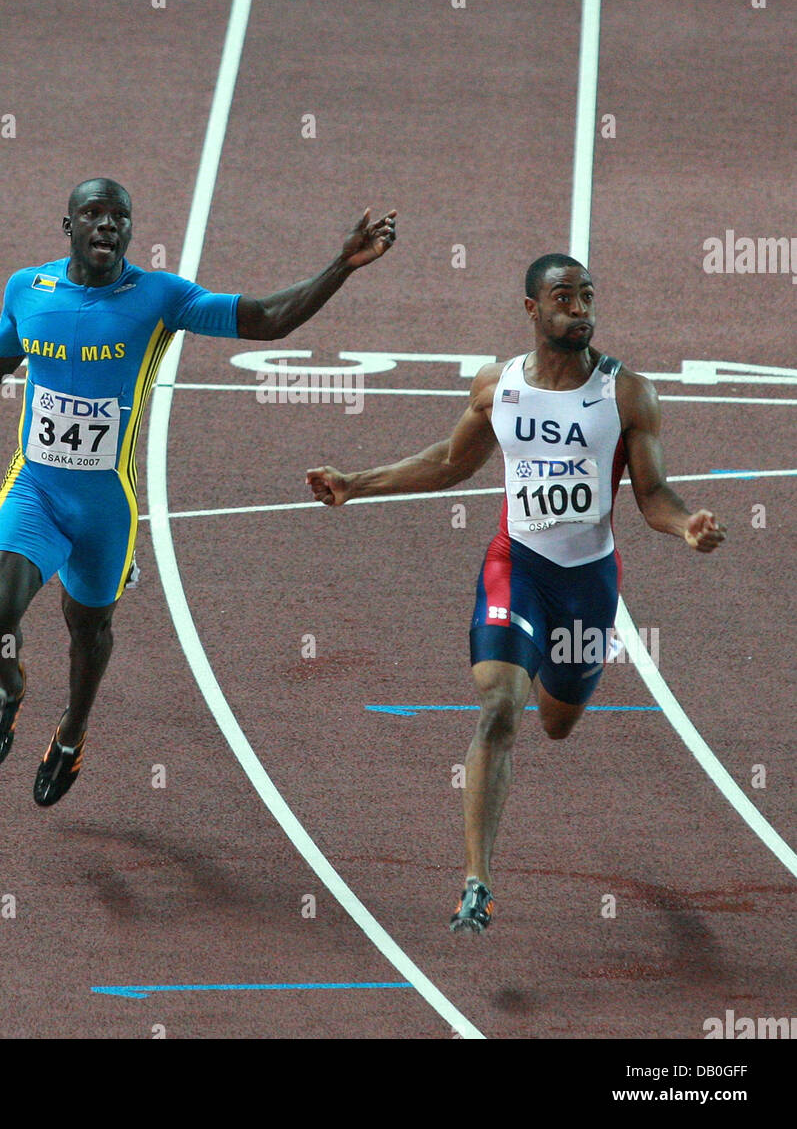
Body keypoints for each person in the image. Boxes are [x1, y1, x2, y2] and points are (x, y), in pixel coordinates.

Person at [0, 178, 396, 806]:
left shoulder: (159, 296)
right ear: (70, 227)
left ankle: (71, 734)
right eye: (93, 214)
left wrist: (341, 266)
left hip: (106, 509)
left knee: (89, 630)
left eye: (120, 217)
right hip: (35, 489)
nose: (107, 225)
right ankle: (9, 687)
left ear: (131, 231)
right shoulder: (28, 289)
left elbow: (268, 320)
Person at [306, 253, 725, 932]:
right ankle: (477, 880)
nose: (580, 309)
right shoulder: (495, 386)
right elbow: (449, 462)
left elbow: (651, 496)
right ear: (532, 309)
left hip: (588, 585)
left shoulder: (627, 395)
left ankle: (546, 717)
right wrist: (357, 481)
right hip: (516, 568)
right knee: (500, 707)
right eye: (564, 297)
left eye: (587, 296)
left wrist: (685, 526)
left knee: (555, 724)